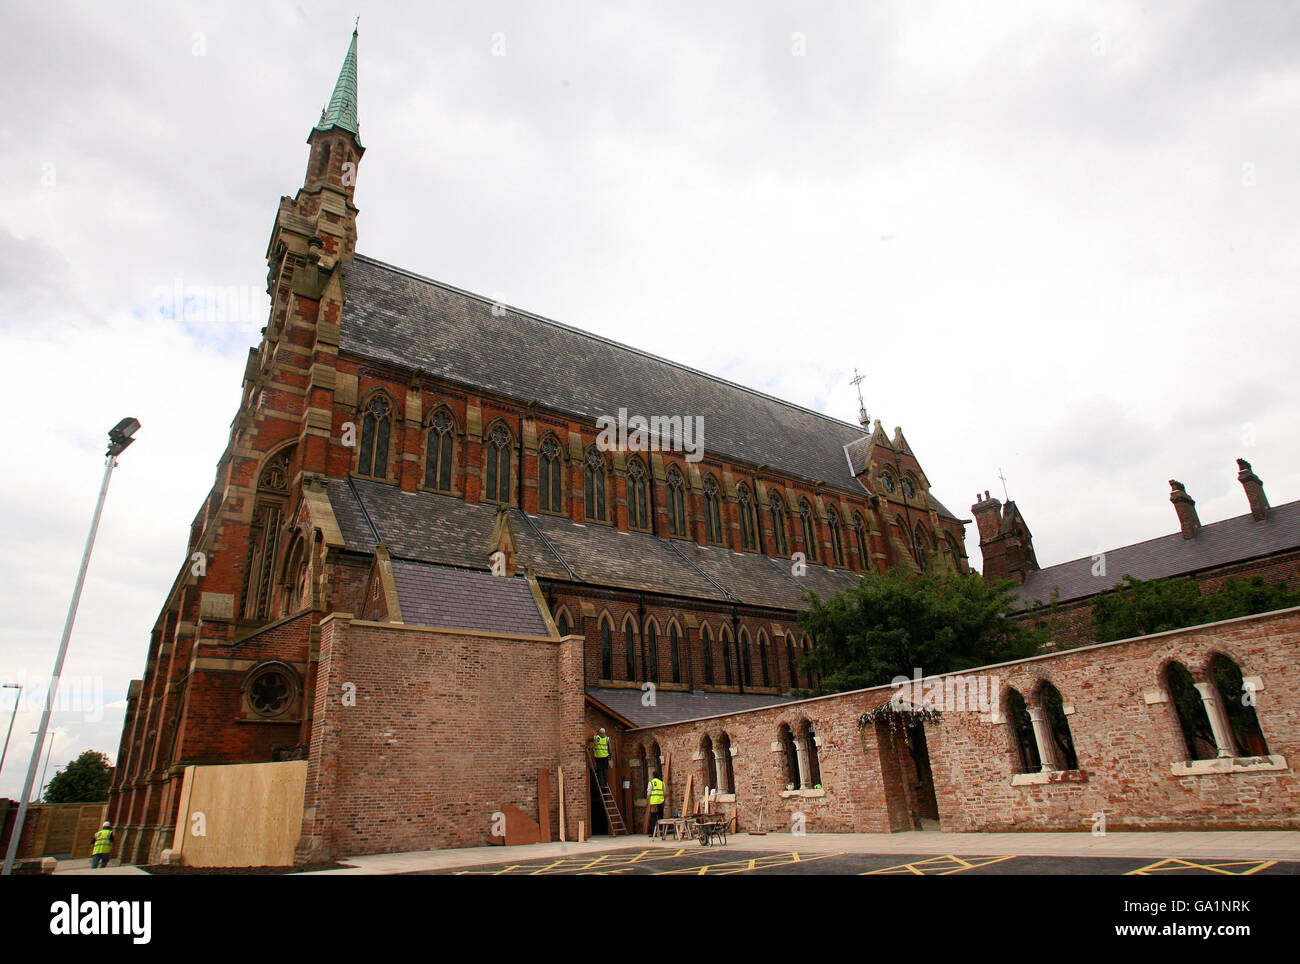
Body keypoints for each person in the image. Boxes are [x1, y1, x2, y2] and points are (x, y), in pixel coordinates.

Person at [646, 771, 665, 838]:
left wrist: (648, 802)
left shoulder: (651, 782)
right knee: (661, 818)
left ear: (653, 776)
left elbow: (649, 793)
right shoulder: (662, 783)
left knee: (653, 818)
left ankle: (654, 833)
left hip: (654, 803)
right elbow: (664, 792)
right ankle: (662, 832)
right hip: (660, 803)